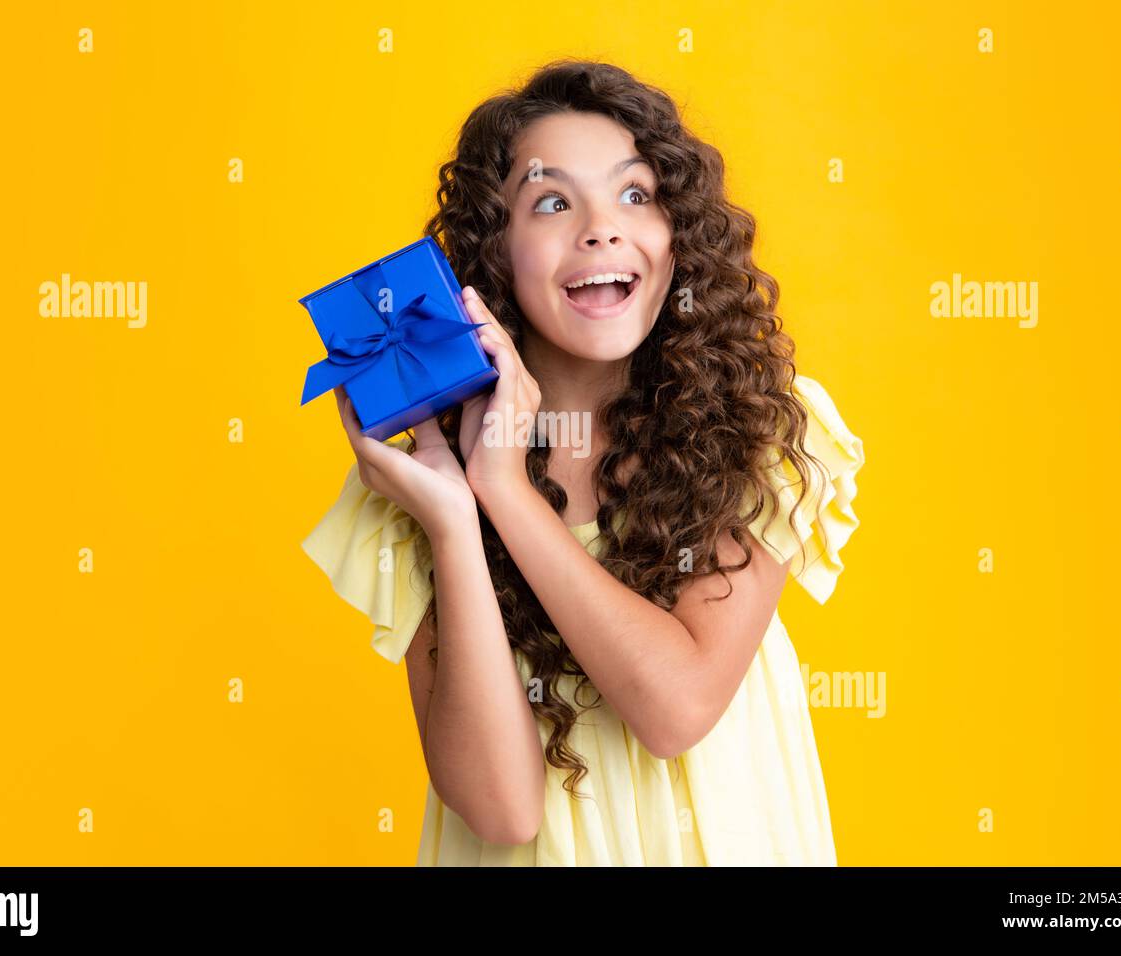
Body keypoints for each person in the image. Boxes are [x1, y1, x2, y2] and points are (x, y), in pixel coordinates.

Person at [302, 60, 865, 865]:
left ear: (677, 238)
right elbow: (500, 810)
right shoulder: (418, 491)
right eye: (554, 202)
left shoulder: (759, 428)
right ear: (495, 253)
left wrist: (506, 489)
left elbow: (673, 709)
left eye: (636, 194)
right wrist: (459, 520)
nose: (602, 227)